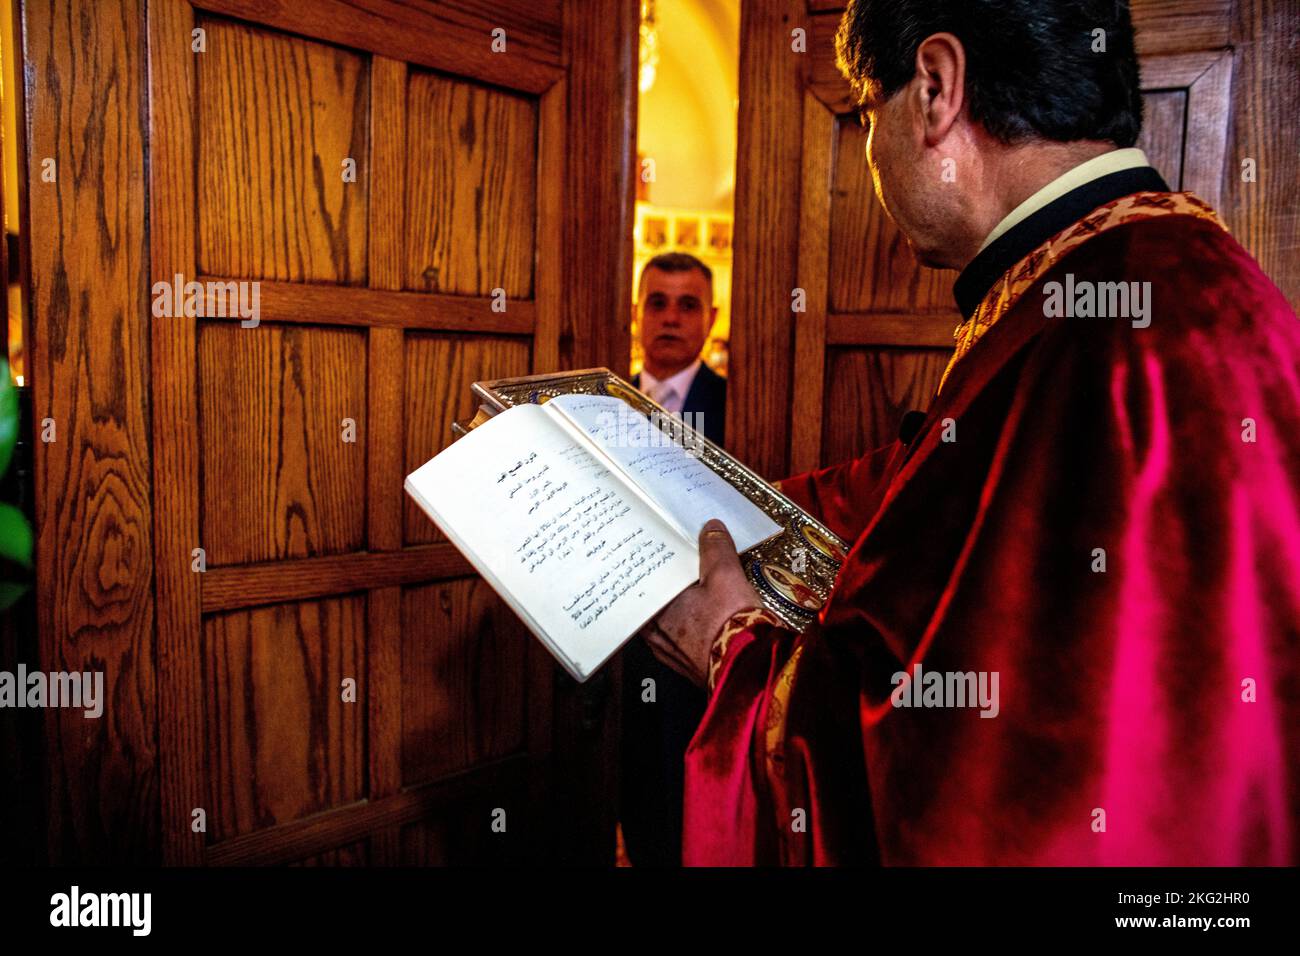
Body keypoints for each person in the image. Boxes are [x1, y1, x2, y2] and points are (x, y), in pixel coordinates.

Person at [642, 0, 1300, 865]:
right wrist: (686, 490)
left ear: (935, 90)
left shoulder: (1112, 327)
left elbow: (988, 788)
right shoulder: (1134, 277)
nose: (871, 151)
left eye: (864, 111)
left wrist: (730, 645)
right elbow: (944, 490)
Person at [619, 252, 728, 865]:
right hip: (611, 641)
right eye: (657, 302)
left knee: (677, 800)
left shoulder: (740, 403)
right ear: (637, 312)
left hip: (694, 635)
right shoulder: (603, 403)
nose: (670, 317)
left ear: (709, 319)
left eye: (688, 305)